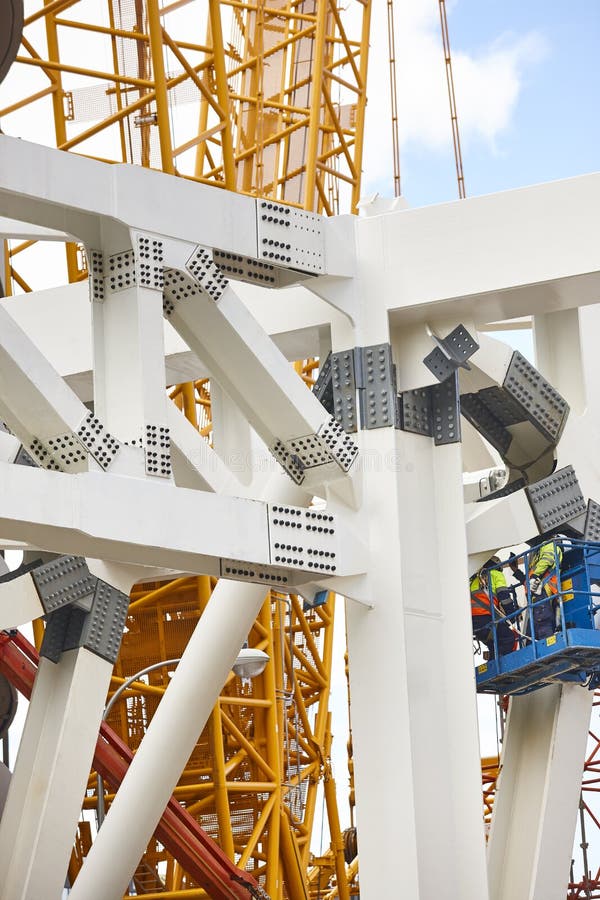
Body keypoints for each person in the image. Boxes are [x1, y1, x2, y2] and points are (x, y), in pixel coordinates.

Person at [509, 537, 563, 640]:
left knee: (543, 621)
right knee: (536, 626)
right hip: (537, 594)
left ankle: (548, 646)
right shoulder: (538, 553)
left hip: (544, 591)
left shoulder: (550, 546)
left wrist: (535, 576)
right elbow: (529, 579)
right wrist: (516, 571)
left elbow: (547, 560)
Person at [470, 557, 516, 658]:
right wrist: (511, 615)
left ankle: (493, 662)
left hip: (472, 623)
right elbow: (504, 597)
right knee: (509, 637)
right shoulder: (495, 574)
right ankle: (503, 664)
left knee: (493, 644)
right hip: (485, 618)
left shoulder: (474, 580)